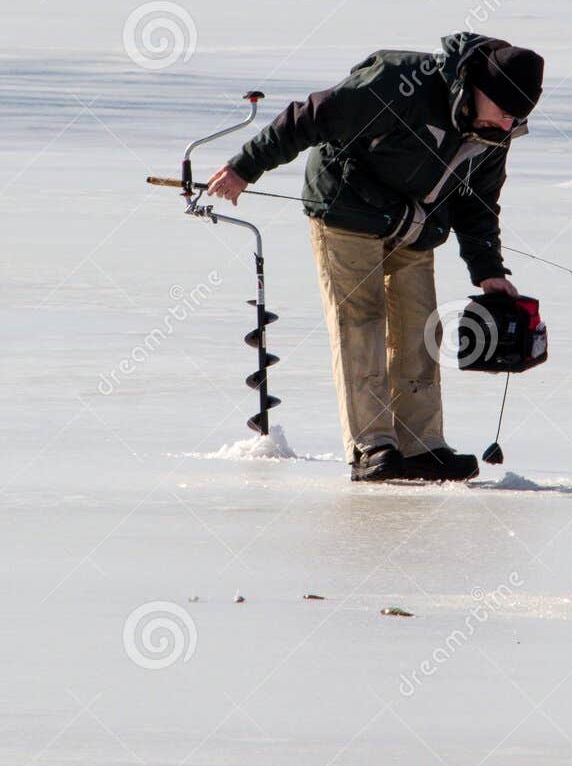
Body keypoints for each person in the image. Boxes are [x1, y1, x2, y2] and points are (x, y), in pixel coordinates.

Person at [205, 32, 545, 484]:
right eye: (504, 113)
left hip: (414, 224)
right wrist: (245, 167)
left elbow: (477, 203)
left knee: (421, 328)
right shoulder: (402, 82)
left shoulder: (495, 130)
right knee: (362, 322)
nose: (507, 127)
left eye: (517, 118)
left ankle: (421, 445)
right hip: (346, 208)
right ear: (481, 88)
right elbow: (312, 116)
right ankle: (372, 446)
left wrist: (489, 273)